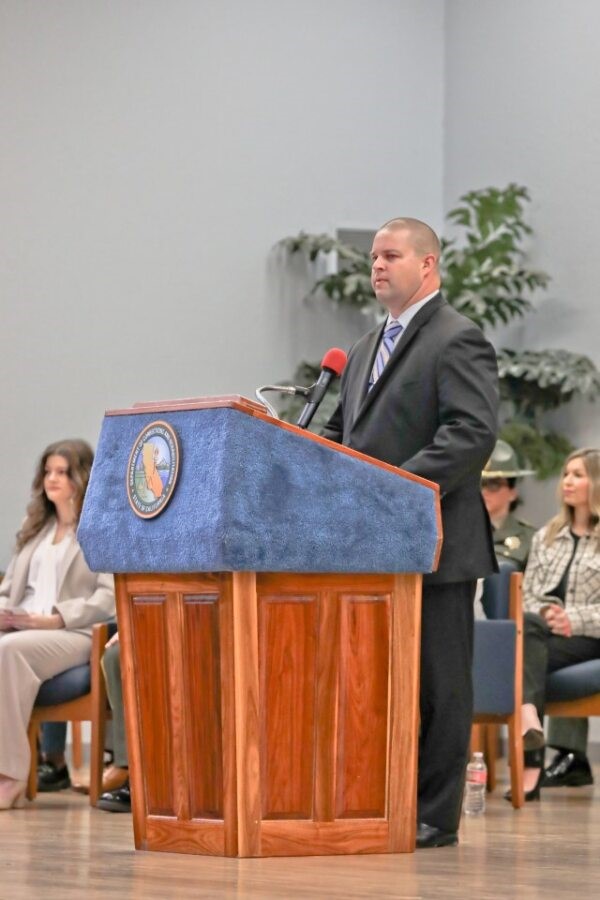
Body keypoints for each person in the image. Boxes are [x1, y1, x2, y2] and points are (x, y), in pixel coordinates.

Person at [322, 217, 498, 848]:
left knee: (438, 682)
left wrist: (390, 487)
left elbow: (470, 435)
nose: (376, 266)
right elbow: (343, 434)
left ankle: (435, 813)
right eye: (373, 257)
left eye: (390, 255)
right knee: (379, 679)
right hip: (369, 543)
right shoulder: (366, 346)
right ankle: (383, 798)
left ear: (427, 265)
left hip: (436, 539)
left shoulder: (458, 338)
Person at [0, 439, 115, 810]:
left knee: (8, 651)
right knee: (9, 645)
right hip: (23, 628)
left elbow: (108, 596)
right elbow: (10, 588)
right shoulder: (35, 527)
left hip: (70, 633)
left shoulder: (98, 529)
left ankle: (11, 774)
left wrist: (56, 617)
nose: (52, 479)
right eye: (48, 471)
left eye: (62, 472)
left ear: (81, 478)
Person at [514, 448, 600, 802]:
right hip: (545, 632)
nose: (567, 481)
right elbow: (527, 594)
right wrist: (548, 612)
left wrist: (572, 618)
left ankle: (529, 759)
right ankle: (530, 723)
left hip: (590, 636)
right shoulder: (546, 535)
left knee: (522, 656)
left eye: (578, 474)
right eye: (566, 473)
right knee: (530, 626)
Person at [481, 439, 535, 569]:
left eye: (494, 484)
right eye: (480, 483)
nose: (484, 491)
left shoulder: (531, 539)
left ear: (512, 492)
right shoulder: (458, 532)